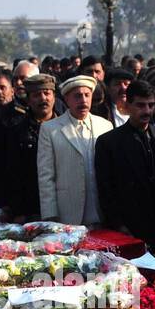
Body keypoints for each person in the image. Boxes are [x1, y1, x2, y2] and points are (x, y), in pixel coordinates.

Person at [94, 78, 155, 257]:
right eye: (140, 105)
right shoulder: (109, 143)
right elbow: (106, 189)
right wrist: (119, 226)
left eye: (150, 105)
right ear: (127, 105)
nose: (146, 111)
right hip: (128, 228)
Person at [36, 74, 113, 226]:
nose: (83, 101)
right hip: (68, 214)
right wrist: (50, 214)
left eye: (87, 95)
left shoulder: (105, 126)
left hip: (101, 212)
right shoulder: (50, 129)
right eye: (77, 96)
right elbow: (46, 176)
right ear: (66, 99)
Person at [0, 73, 57, 221]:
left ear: (54, 96)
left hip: (62, 204)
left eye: (47, 93)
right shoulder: (16, 131)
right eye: (36, 95)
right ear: (28, 100)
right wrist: (18, 211)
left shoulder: (65, 128)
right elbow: (11, 173)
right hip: (30, 208)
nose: (43, 98)